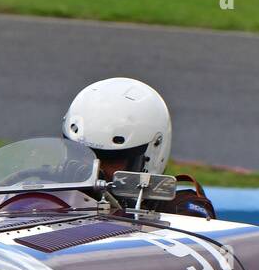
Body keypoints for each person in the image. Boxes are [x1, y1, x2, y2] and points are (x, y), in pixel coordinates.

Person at [62, 78, 215, 218]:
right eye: (82, 154)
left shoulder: (179, 210)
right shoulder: (48, 196)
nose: (94, 171)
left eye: (110, 160)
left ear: (149, 156)